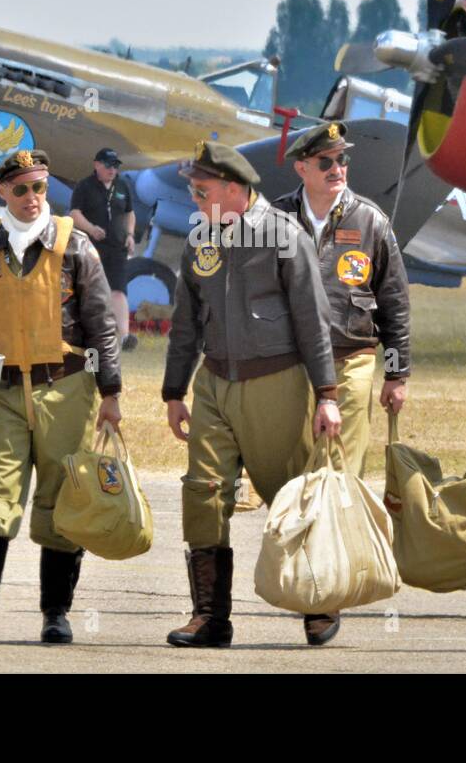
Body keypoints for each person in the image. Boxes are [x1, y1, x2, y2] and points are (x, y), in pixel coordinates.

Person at [162, 140, 341, 648]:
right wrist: (174, 392)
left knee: (289, 495)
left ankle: (318, 603)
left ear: (234, 189)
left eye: (202, 191)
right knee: (203, 492)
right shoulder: (200, 239)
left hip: (275, 381)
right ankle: (209, 617)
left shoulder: (285, 236)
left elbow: (313, 320)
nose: (195, 199)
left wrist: (327, 394)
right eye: (194, 191)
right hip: (214, 383)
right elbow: (185, 323)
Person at [0, 148, 122, 645]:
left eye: (39, 187)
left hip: (66, 387)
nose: (32, 197)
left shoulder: (76, 246)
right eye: (20, 189)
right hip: (2, 390)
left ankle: (56, 613)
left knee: (61, 499)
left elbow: (102, 324)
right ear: (2, 191)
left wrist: (109, 391)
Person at [271, 121, 410, 478]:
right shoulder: (275, 220)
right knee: (291, 469)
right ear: (301, 168)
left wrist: (396, 373)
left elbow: (394, 301)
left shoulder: (371, 221)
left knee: (343, 469)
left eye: (342, 159)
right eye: (325, 162)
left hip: (351, 359)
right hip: (291, 365)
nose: (337, 169)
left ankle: (341, 517)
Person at [68, 147, 137, 350]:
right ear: (96, 165)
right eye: (108, 166)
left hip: (117, 247)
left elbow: (129, 213)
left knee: (118, 290)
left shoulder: (122, 185)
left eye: (115, 166)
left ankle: (124, 336)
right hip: (90, 247)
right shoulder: (84, 186)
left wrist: (130, 235)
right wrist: (91, 228)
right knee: (88, 291)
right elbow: (74, 214)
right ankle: (83, 333)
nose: (112, 170)